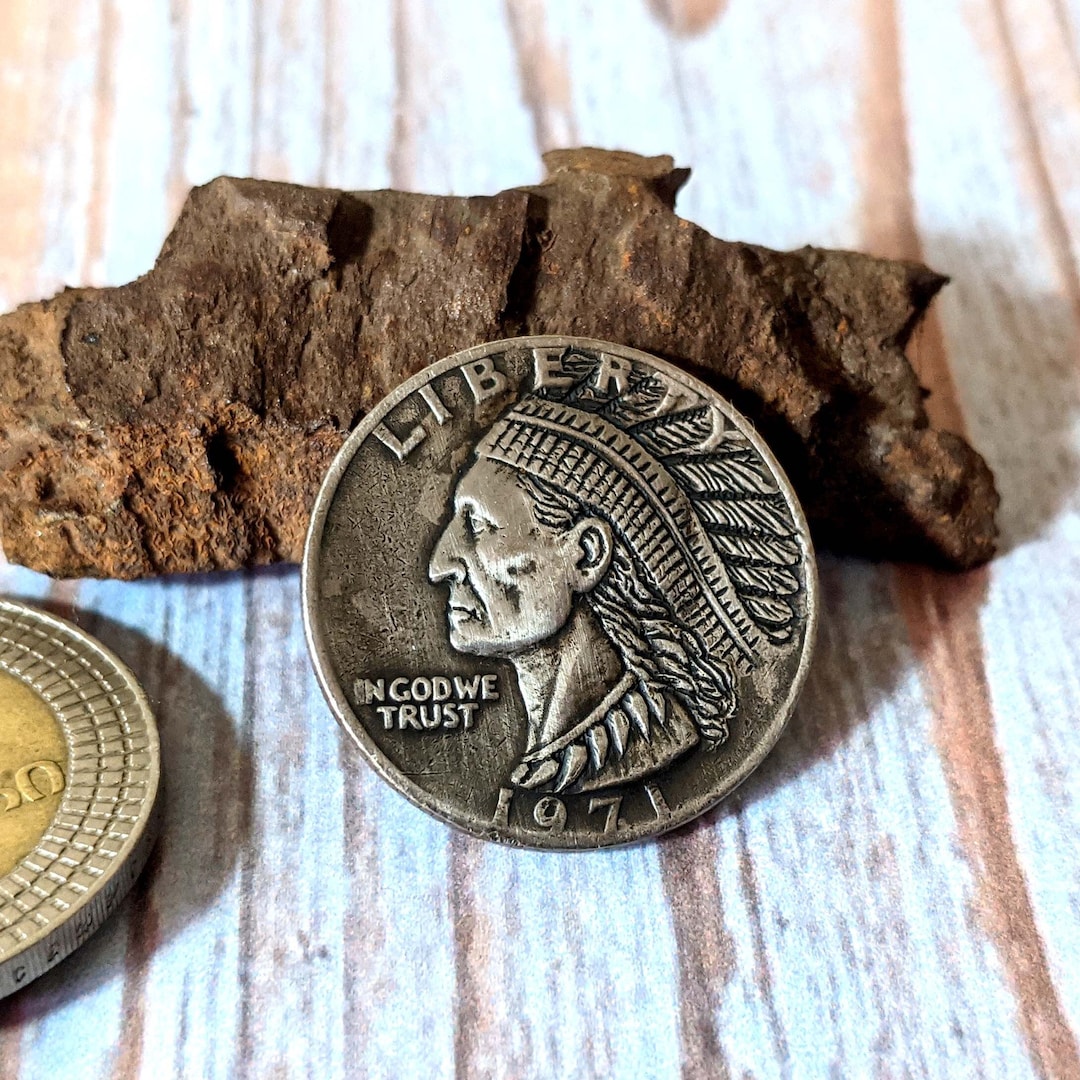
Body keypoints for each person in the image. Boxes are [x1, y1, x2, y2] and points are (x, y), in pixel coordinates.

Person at [428, 357, 802, 793]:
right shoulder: (559, 754)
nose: (440, 565)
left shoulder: (644, 745)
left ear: (586, 556)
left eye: (479, 526)